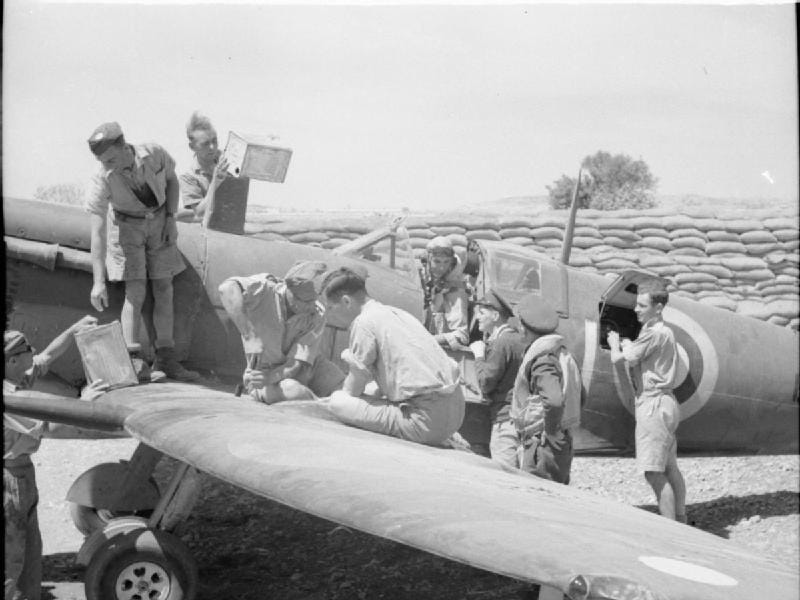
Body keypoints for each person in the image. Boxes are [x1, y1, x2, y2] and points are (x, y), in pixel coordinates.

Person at [85, 121, 199, 382]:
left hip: (159, 221)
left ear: (125, 147)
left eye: (112, 158)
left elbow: (171, 181)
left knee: (164, 288)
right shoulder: (101, 178)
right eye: (103, 161)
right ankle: (133, 360)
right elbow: (98, 231)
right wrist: (98, 282)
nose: (108, 165)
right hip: (127, 228)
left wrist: (170, 218)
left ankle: (166, 359)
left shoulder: (154, 153)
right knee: (135, 291)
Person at [4, 318, 108, 600]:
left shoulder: (14, 376)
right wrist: (87, 405)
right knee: (10, 561)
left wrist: (75, 329)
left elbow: (47, 356)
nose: (33, 352)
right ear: (12, 361)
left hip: (21, 474)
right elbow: (53, 427)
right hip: (8, 480)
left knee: (29, 556)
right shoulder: (10, 397)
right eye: (27, 350)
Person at [321, 267, 465, 445]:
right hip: (454, 413)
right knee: (371, 391)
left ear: (346, 301)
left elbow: (353, 390)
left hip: (424, 422)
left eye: (330, 307)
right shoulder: (398, 313)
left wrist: (338, 396)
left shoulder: (363, 322)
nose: (329, 314)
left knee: (338, 402)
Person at [607, 279, 687, 522]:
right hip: (666, 403)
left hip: (653, 405)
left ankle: (670, 528)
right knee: (669, 467)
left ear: (659, 308)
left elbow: (623, 358)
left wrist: (614, 343)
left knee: (653, 472)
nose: (636, 310)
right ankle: (681, 519)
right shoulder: (662, 332)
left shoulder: (653, 332)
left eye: (642, 305)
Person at [218, 260, 345, 404]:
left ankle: (327, 404)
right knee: (293, 391)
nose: (311, 307)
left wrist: (270, 377)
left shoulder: (316, 313)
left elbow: (295, 364)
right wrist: (249, 335)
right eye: (306, 301)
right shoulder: (264, 291)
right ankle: (323, 406)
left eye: (314, 300)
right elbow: (227, 288)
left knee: (346, 389)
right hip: (266, 375)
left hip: (304, 367)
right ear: (289, 290)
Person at [509, 296, 581, 484]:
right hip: (560, 441)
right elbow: (581, 396)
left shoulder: (542, 360)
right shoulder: (563, 354)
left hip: (541, 445)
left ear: (524, 327)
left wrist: (549, 432)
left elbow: (554, 401)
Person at [468, 289, 528, 468]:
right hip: (520, 416)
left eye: (482, 313)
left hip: (504, 420)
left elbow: (486, 383)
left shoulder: (501, 343)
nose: (477, 317)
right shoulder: (518, 339)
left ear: (495, 316)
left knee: (505, 475)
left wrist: (479, 356)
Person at [177, 111, 231, 226]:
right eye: (205, 144)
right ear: (192, 147)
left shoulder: (227, 159)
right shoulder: (188, 177)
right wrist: (215, 182)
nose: (212, 147)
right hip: (213, 231)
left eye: (214, 141)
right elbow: (200, 214)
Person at [422, 237, 469, 351]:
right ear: (428, 260)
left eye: (446, 262)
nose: (442, 267)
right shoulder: (420, 281)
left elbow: (461, 335)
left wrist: (428, 340)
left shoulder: (456, 290)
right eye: (437, 261)